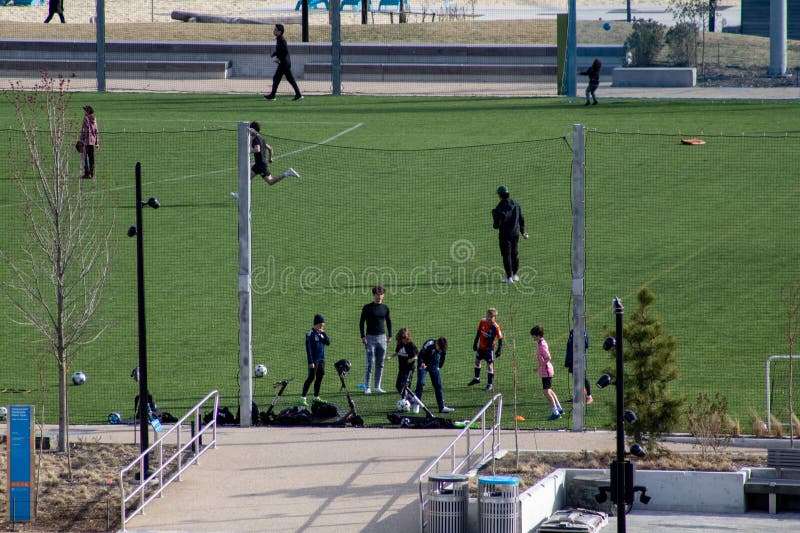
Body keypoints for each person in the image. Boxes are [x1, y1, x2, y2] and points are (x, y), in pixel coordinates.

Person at [231, 121, 299, 198]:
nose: (249, 132)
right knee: (247, 178)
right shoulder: (261, 139)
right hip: (260, 164)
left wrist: (247, 152)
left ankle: (287, 173)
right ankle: (241, 195)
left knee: (269, 181)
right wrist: (270, 159)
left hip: (260, 166)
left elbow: (257, 149)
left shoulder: (256, 139)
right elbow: (270, 149)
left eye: (250, 130)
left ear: (253, 130)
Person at [359, 284, 392, 394]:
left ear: (383, 295)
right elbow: (361, 322)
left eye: (381, 294)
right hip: (370, 338)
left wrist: (390, 335)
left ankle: (377, 386)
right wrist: (363, 336)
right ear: (374, 295)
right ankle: (367, 387)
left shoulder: (385, 308)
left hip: (382, 337)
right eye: (377, 294)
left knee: (380, 363)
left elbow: (388, 321)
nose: (379, 296)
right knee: (370, 363)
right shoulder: (367, 308)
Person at [492, 185, 528, 284]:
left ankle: (509, 278)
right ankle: (515, 275)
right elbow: (521, 218)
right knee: (515, 253)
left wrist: (494, 215)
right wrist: (523, 231)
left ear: (500, 195)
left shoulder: (499, 207)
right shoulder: (516, 204)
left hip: (505, 235)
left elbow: (496, 226)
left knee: (506, 255)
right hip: (515, 233)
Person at [263, 24, 303, 102]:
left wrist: (278, 59)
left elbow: (285, 52)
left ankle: (273, 96)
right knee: (284, 79)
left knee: (279, 78)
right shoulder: (279, 39)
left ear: (280, 32)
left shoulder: (282, 40)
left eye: (275, 30)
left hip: (284, 63)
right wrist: (274, 54)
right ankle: (298, 95)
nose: (274, 31)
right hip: (284, 63)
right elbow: (280, 50)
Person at [414, 337, 454, 414]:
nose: (440, 351)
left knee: (438, 385)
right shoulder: (429, 344)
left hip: (434, 365)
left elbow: (442, 359)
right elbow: (421, 355)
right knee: (420, 382)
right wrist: (421, 363)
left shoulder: (442, 348)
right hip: (424, 364)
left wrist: (438, 366)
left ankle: (441, 407)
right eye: (439, 349)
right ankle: (417, 403)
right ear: (437, 343)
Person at [468, 307, 504, 391]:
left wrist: (499, 349)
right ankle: (477, 378)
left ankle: (490, 384)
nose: (488, 318)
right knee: (477, 361)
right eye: (487, 316)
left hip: (489, 349)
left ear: (495, 318)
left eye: (490, 317)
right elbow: (478, 332)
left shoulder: (496, 327)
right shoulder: (482, 322)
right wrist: (475, 342)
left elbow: (500, 338)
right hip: (481, 347)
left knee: (489, 366)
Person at [532, 325, 563, 420]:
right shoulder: (541, 342)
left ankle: (555, 412)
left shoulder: (541, 345)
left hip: (546, 371)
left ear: (538, 335)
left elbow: (548, 357)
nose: (532, 337)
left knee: (546, 392)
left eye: (533, 335)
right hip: (546, 370)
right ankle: (559, 408)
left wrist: (539, 367)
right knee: (549, 390)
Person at [300, 314, 330, 407]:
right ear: (316, 324)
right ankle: (303, 398)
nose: (322, 326)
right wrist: (310, 361)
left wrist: (324, 333)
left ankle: (316, 397)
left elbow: (328, 342)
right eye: (320, 324)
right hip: (314, 360)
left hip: (321, 359)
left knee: (320, 376)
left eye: (323, 325)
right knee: (311, 378)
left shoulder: (320, 333)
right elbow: (308, 348)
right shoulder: (310, 334)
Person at [564, 329, 593, 404]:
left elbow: (586, 345)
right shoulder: (572, 331)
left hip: (580, 359)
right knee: (575, 379)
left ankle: (589, 396)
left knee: (583, 378)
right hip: (572, 358)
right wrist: (568, 360)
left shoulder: (583, 332)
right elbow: (569, 345)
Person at [393, 328, 418, 399]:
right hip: (402, 368)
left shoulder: (411, 345)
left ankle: (404, 401)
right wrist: (390, 356)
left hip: (409, 368)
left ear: (407, 337)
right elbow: (397, 352)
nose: (403, 339)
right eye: (401, 338)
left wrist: (411, 359)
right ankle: (411, 398)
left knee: (405, 386)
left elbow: (417, 355)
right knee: (398, 386)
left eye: (404, 337)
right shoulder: (400, 344)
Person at [78, 106, 99, 179]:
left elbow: (84, 130)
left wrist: (81, 140)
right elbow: (96, 131)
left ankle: (86, 173)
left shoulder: (85, 119)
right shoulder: (94, 119)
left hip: (86, 142)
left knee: (83, 158)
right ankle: (91, 173)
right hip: (92, 142)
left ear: (87, 111)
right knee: (91, 158)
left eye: (84, 111)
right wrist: (97, 143)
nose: (84, 112)